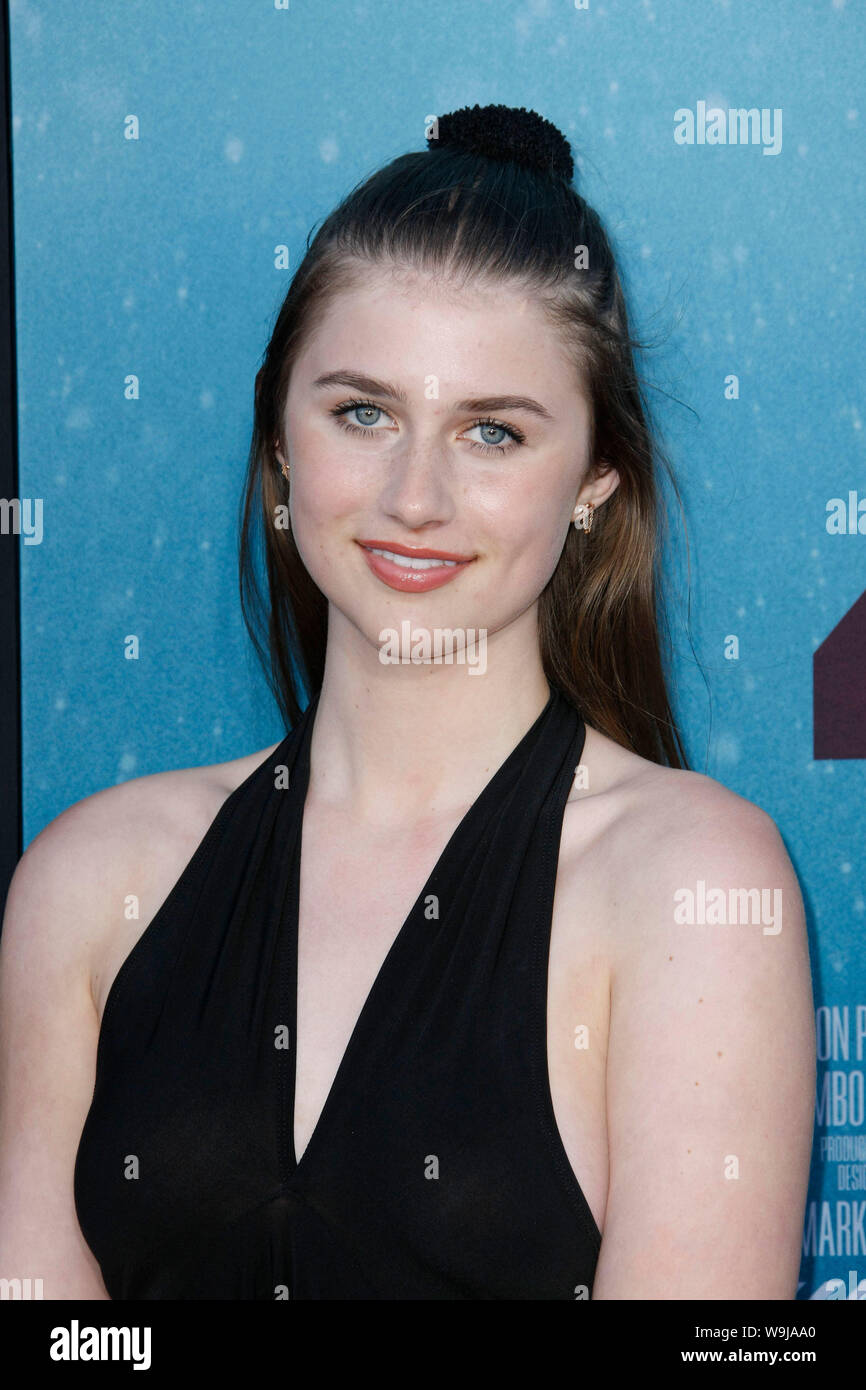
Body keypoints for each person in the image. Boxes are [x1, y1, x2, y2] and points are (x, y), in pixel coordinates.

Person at [0, 104, 815, 1300]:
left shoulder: (692, 886)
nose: (414, 495)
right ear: (281, 437)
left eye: (492, 432)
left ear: (595, 480)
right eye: (362, 413)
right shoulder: (87, 879)